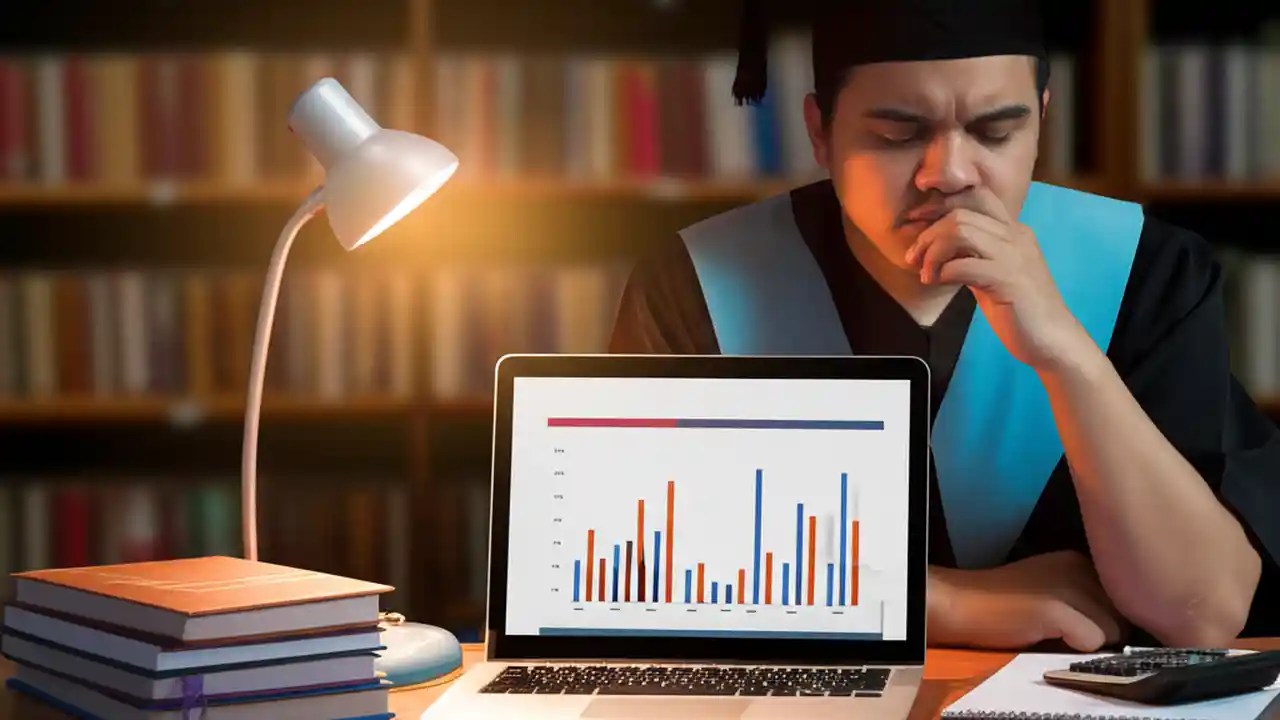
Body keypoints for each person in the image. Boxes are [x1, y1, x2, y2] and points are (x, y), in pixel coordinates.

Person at [608, 0, 1280, 652]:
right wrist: (946, 605)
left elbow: (1203, 612)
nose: (950, 174)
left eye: (996, 132)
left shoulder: (1146, 273)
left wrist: (1066, 353)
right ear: (820, 131)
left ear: (1042, 119)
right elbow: (628, 580)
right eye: (898, 134)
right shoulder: (696, 285)